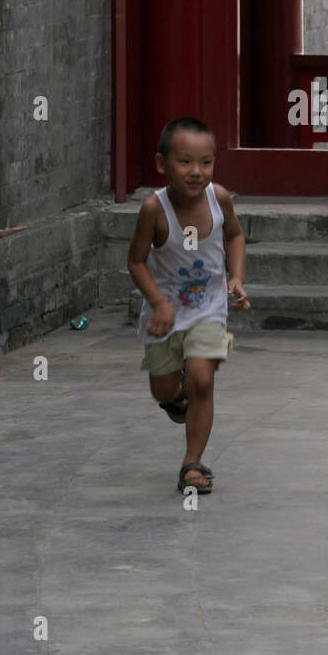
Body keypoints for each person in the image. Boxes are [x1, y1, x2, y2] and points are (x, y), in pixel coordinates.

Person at [127, 117, 250, 495]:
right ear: (162, 164)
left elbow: (235, 235)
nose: (197, 172)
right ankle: (175, 398)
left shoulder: (220, 199)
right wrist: (159, 304)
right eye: (185, 162)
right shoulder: (153, 209)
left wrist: (236, 277)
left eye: (206, 162)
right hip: (165, 319)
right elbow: (135, 261)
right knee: (163, 390)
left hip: (209, 310)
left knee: (202, 378)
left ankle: (192, 463)